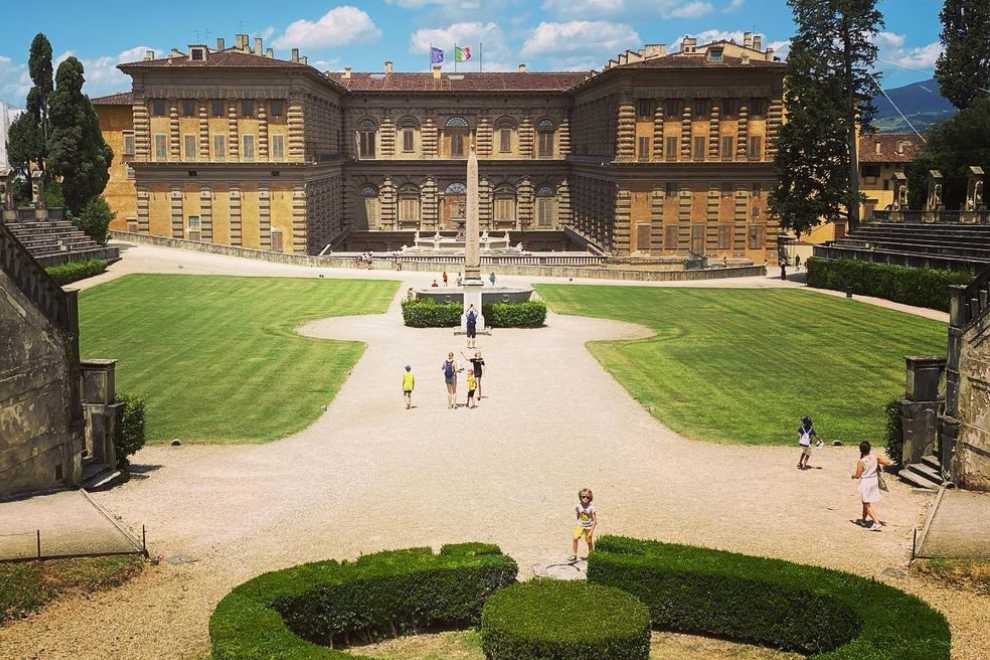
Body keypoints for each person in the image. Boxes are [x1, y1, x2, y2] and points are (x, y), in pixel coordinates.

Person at [853, 441, 891, 531]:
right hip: (874, 480)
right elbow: (887, 462)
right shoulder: (875, 457)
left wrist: (853, 476)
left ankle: (876, 522)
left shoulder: (861, 461)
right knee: (866, 502)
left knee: (866, 503)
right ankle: (863, 519)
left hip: (866, 482)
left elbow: (858, 475)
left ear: (860, 450)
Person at [570, 488, 597, 562]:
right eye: (583, 497)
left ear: (590, 498)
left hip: (588, 527)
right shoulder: (578, 506)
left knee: (589, 541)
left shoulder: (591, 508)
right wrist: (578, 523)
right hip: (580, 525)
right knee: (575, 538)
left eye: (588, 497)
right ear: (580, 497)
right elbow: (578, 515)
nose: (585, 498)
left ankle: (591, 555)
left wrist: (591, 531)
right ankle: (574, 555)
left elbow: (595, 521)